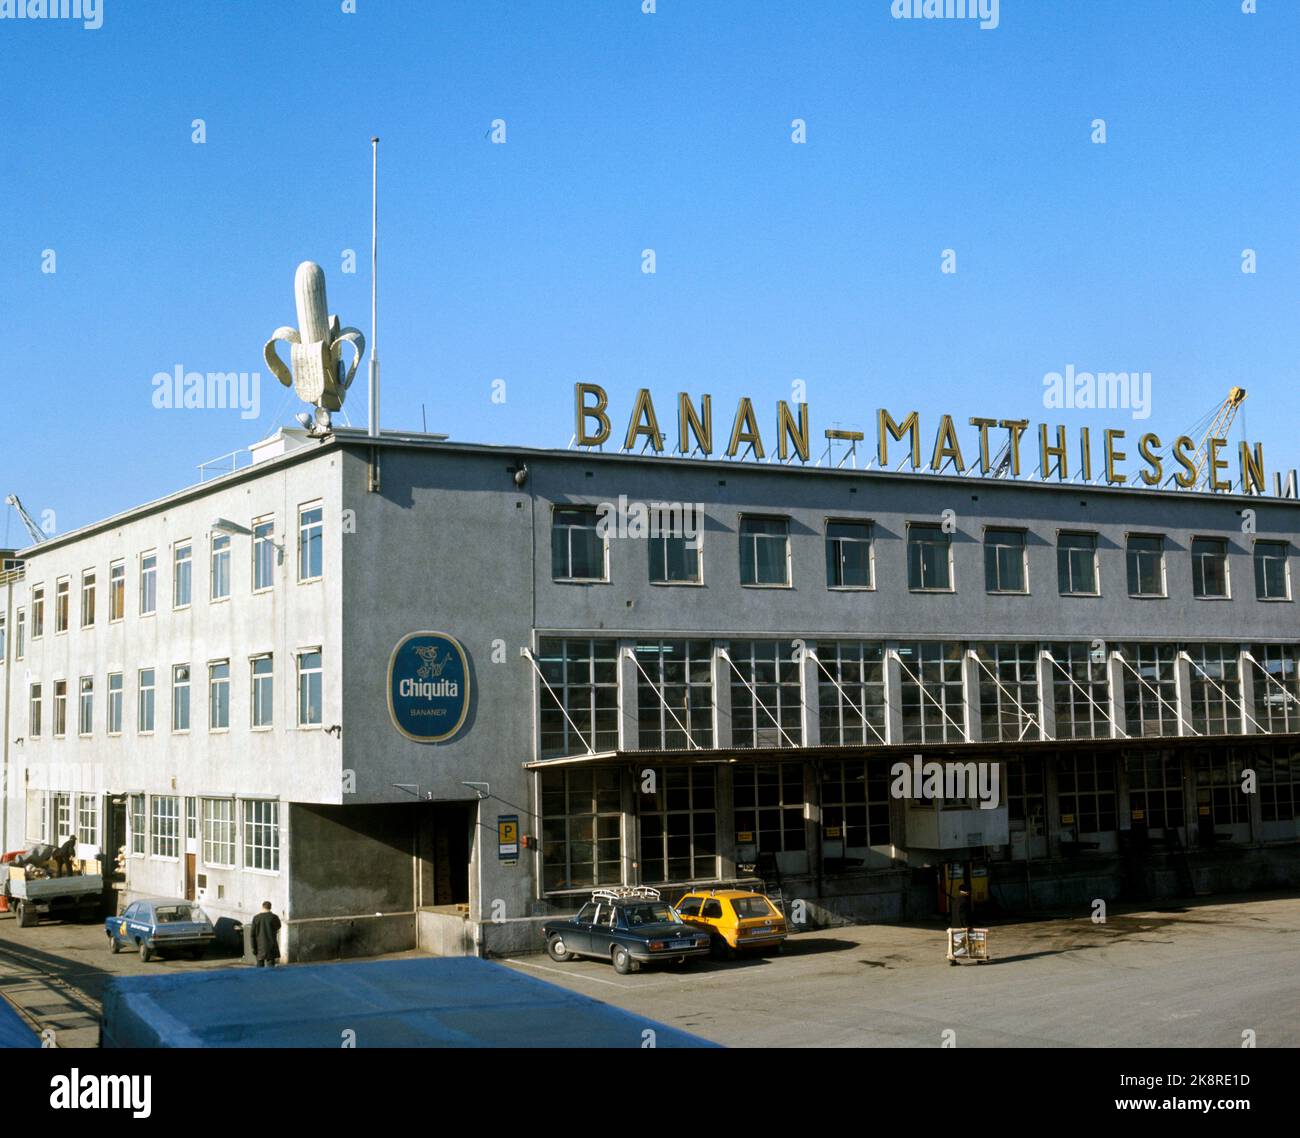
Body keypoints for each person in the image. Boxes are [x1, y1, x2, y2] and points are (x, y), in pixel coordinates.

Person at [250, 901, 282, 968]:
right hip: (271, 946)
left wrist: (253, 947)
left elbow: (252, 934)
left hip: (259, 946)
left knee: (259, 967)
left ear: (262, 907)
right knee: (271, 968)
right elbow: (278, 926)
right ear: (270, 907)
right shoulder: (274, 917)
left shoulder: (256, 918)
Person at [948, 884, 972, 963]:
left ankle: (953, 960)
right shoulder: (965, 901)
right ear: (967, 892)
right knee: (962, 947)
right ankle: (952, 956)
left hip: (954, 925)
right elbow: (963, 915)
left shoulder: (955, 900)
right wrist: (967, 925)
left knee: (956, 944)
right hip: (960, 926)